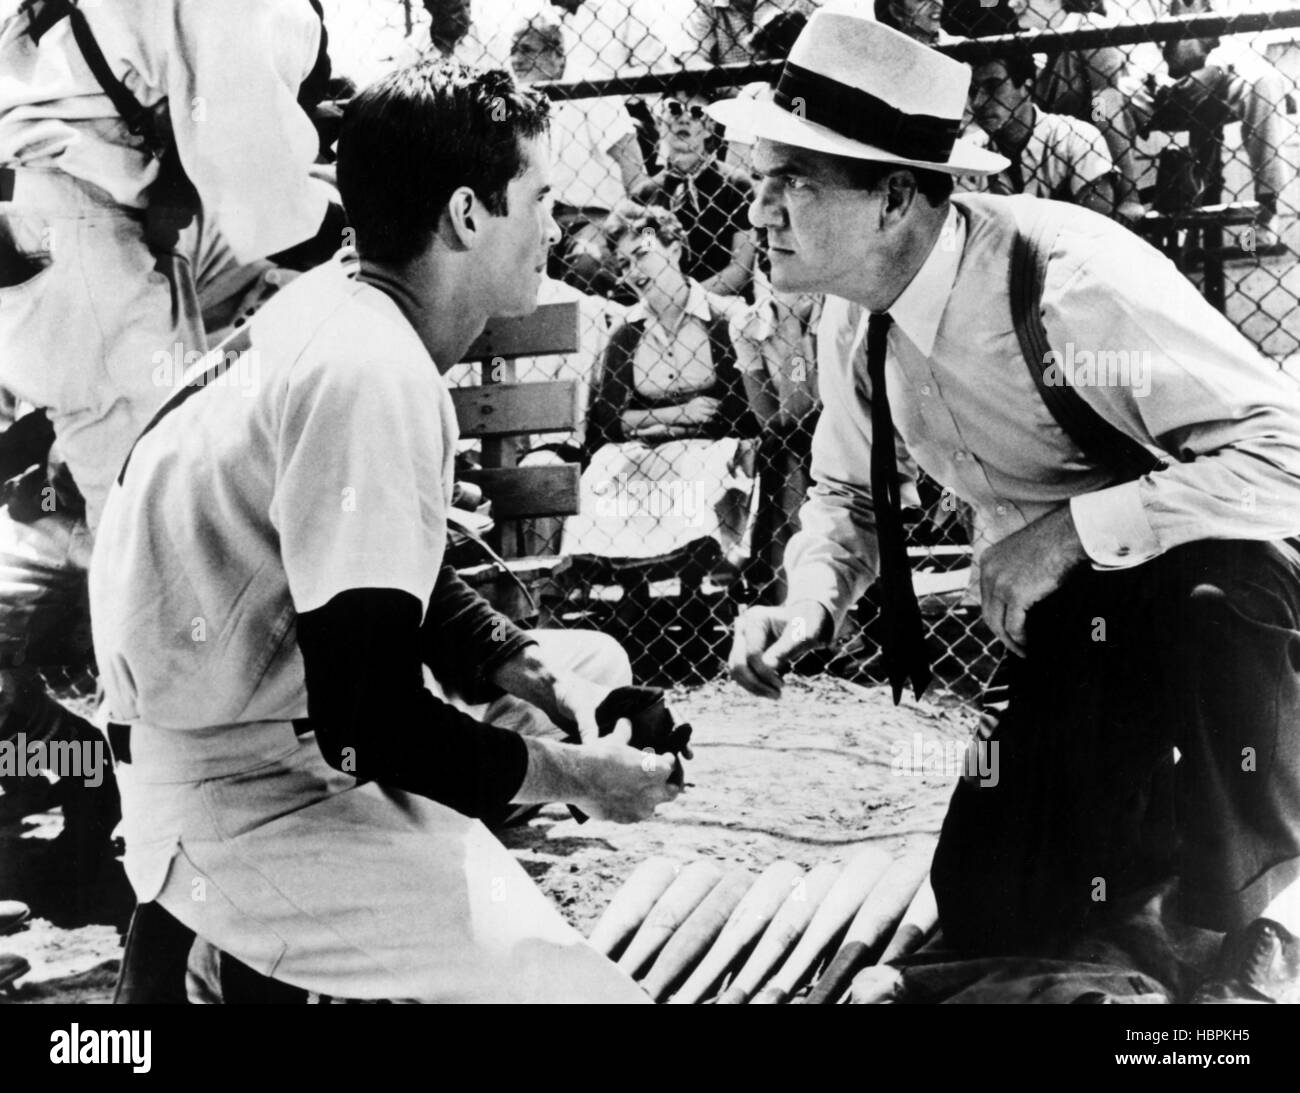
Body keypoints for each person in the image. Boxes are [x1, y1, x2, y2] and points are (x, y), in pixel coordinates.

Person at [718, 9, 1300, 1003]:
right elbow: (845, 496)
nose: (759, 212)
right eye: (761, 178)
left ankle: (1270, 909)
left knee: (1214, 611)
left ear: (893, 198)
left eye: (794, 182)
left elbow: (1285, 452)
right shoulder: (854, 313)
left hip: (1232, 605)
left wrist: (1067, 533)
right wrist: (810, 599)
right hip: (1079, 636)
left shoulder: (1071, 286)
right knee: (991, 901)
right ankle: (1155, 868)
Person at [89, 62, 679, 1003]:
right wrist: (581, 776)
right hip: (248, 795)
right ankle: (210, 941)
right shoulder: (371, 368)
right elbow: (367, 721)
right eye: (541, 197)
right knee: (579, 998)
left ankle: (208, 953)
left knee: (585, 666)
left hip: (233, 740)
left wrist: (529, 669)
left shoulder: (339, 306)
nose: (557, 227)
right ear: (467, 214)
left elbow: (366, 564)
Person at [0, 0, 336, 885]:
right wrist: (350, 219)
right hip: (75, 234)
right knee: (158, 537)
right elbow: (263, 195)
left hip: (67, 225)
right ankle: (164, 829)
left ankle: (151, 813)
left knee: (149, 529)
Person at [563, 205, 757, 564]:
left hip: (710, 450)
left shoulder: (723, 319)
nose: (634, 271)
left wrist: (651, 423)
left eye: (642, 254)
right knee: (605, 473)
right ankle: (621, 567)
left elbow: (737, 414)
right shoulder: (625, 333)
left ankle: (704, 559)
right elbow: (612, 421)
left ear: (675, 249)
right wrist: (679, 414)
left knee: (705, 470)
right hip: (644, 454)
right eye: (624, 264)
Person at [1126, 0, 1291, 249]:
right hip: (1158, 89)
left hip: (1221, 81)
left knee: (1268, 81)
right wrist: (1157, 77)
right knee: (1103, 102)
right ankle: (1121, 204)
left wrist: (1216, 69)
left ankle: (1267, 212)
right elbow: (1131, 44)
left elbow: (1249, 41)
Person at [509, 9, 648, 297]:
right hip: (534, 215)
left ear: (557, 54)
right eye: (512, 50)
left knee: (588, 262)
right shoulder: (511, 93)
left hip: (592, 217)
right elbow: (494, 131)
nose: (516, 60)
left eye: (526, 50)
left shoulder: (591, 87)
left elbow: (632, 166)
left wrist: (643, 236)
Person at [730, 284, 822, 601]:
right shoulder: (747, 325)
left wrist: (796, 335)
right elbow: (770, 417)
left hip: (842, 429)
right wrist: (792, 333)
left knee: (788, 462)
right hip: (790, 440)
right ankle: (809, 599)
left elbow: (810, 408)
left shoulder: (838, 309)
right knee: (783, 456)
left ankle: (796, 599)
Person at [634, 81, 758, 297]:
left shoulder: (736, 185)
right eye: (674, 109)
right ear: (660, 123)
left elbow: (740, 269)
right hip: (666, 300)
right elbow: (649, 255)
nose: (684, 119)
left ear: (710, 127)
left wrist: (690, 300)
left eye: (696, 112)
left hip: (724, 302)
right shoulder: (647, 194)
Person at [969, 53, 1118, 216]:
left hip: (1091, 114)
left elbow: (1103, 97)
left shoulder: (1078, 136)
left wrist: (1131, 198)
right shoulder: (970, 149)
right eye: (972, 91)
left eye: (993, 87)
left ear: (1027, 87)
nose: (977, 102)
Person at [681, 0, 817, 67]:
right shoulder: (703, 4)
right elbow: (693, 60)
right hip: (731, 100)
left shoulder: (800, 2)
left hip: (786, 94)